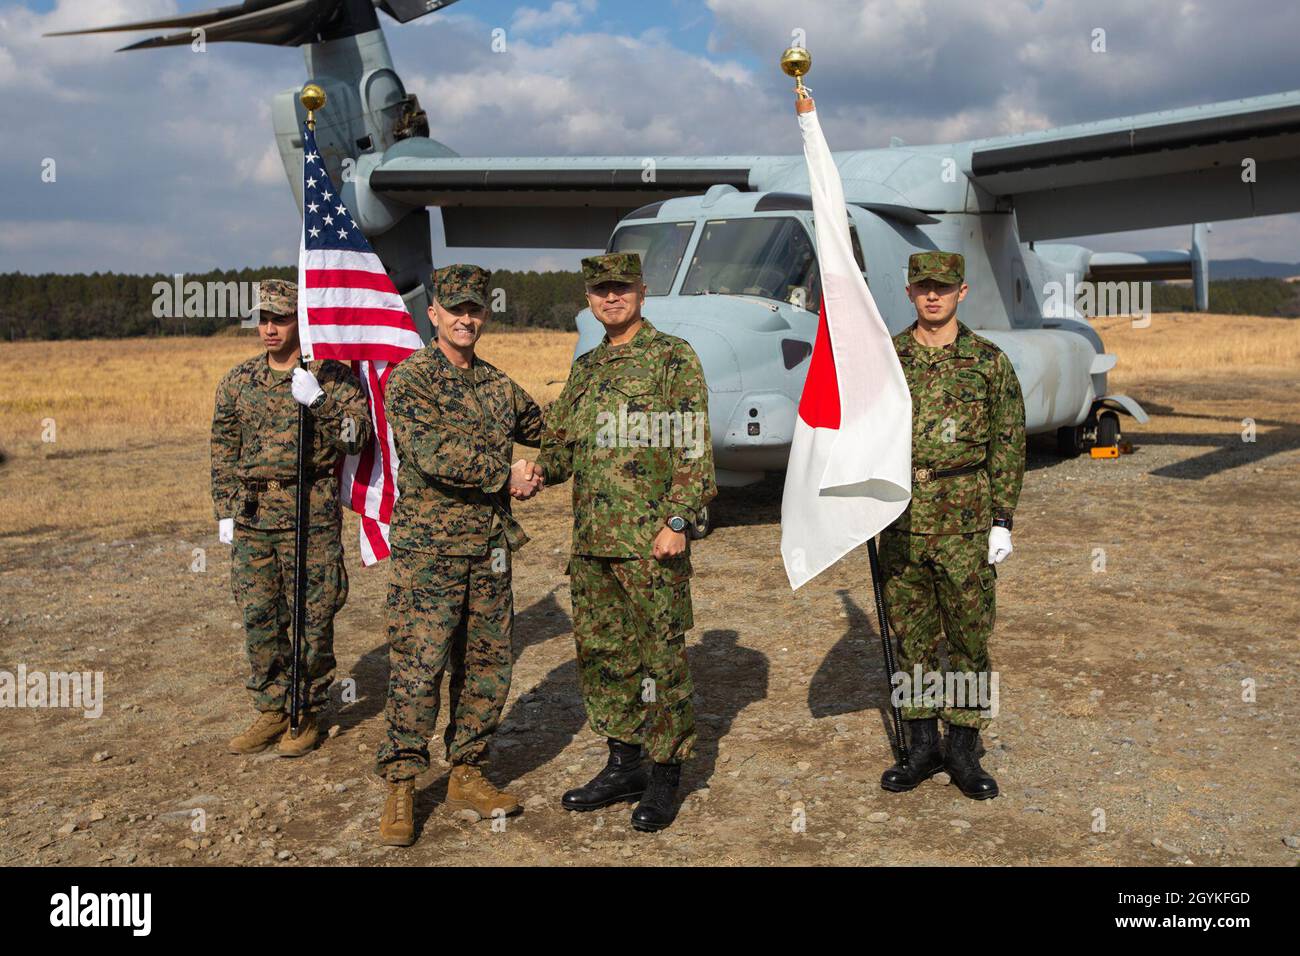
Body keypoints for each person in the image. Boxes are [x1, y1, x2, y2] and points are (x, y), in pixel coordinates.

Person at [522, 251, 716, 832]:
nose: (612, 298)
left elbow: (694, 452)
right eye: (601, 290)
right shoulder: (586, 368)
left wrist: (677, 522)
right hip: (593, 547)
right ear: (589, 298)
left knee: (660, 660)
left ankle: (663, 776)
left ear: (641, 291)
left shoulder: (671, 359)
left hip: (651, 545)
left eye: (622, 288)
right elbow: (561, 448)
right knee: (605, 659)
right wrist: (532, 473)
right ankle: (622, 762)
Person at [375, 264, 545, 847]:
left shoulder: (498, 384)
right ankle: (402, 782)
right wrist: (507, 473)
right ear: (435, 314)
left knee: (487, 665)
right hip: (430, 552)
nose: (467, 318)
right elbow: (432, 453)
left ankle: (467, 771)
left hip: (490, 553)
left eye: (476, 309)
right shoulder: (411, 379)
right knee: (419, 667)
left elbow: (545, 426)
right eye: (457, 309)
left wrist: (553, 456)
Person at [878, 251, 1026, 800]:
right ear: (909, 292)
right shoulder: (886, 359)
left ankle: (963, 749)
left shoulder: (988, 362)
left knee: (967, 638)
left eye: (942, 287)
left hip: (965, 523)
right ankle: (921, 747)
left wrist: (1002, 520)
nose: (932, 296)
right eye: (922, 287)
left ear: (962, 291)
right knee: (912, 639)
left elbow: (1008, 446)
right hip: (901, 521)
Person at [211, 278, 371, 757]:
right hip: (255, 517)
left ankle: (306, 710)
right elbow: (224, 448)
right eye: (263, 319)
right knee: (259, 615)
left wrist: (318, 401)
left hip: (309, 516)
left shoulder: (329, 375)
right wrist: (225, 510)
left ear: (300, 320)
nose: (269, 329)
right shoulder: (239, 381)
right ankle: (271, 708)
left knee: (312, 615)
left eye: (280, 318)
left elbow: (356, 436)